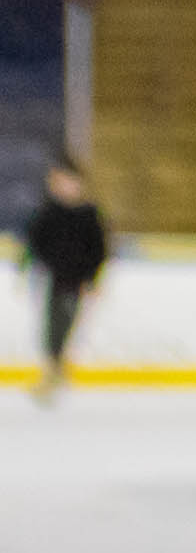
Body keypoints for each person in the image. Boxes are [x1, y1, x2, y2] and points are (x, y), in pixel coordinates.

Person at [20, 151, 99, 404]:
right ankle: (53, 370)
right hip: (53, 279)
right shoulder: (48, 212)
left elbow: (97, 249)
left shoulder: (88, 214)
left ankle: (56, 369)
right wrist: (27, 265)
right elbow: (34, 242)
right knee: (53, 324)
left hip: (76, 281)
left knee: (66, 322)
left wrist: (93, 278)